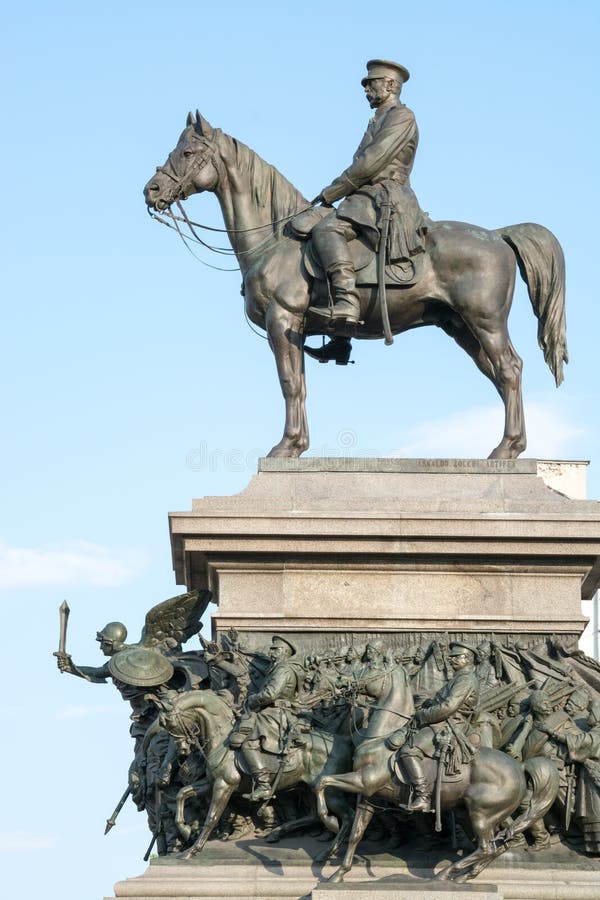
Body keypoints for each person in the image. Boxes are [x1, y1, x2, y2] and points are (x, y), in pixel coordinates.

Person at [309, 58, 427, 327]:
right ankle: (340, 338)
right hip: (367, 195)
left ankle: (347, 301)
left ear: (389, 85)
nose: (366, 90)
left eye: (370, 84)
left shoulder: (401, 116)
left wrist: (333, 191)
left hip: (385, 195)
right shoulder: (377, 120)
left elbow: (371, 161)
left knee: (327, 230)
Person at [394, 641, 480, 813]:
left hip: (451, 723)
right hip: (444, 720)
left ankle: (423, 796)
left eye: (456, 657)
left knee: (409, 750)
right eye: (451, 656)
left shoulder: (466, 679)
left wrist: (422, 715)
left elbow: (448, 707)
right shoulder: (458, 677)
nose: (451, 659)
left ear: (468, 659)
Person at [229, 635, 307, 801]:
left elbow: (271, 694)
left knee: (248, 743)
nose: (271, 652)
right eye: (272, 649)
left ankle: (263, 785)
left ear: (284, 652)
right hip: (272, 711)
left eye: (275, 649)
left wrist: (252, 700)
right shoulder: (277, 667)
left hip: (276, 714)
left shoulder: (283, 669)